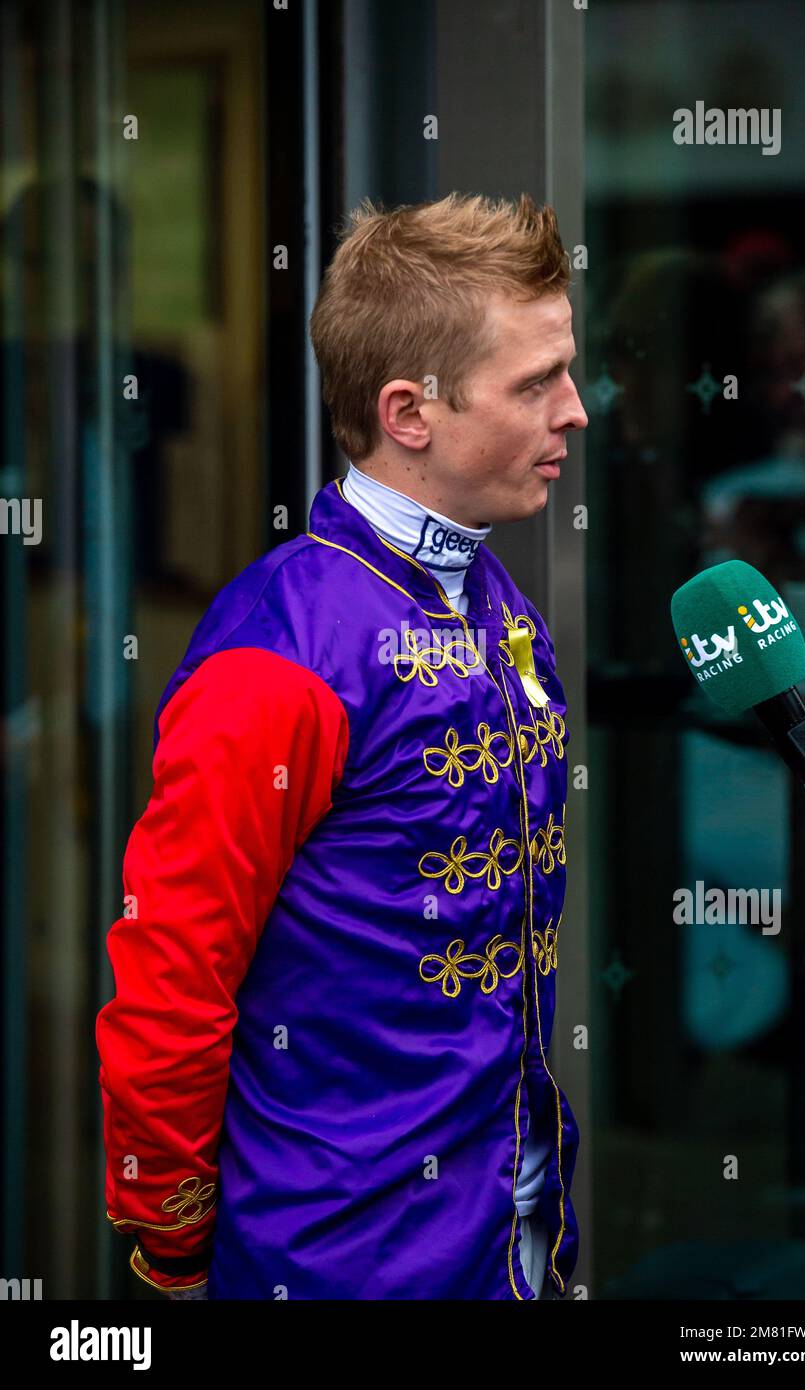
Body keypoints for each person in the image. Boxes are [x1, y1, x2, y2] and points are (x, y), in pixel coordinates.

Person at [95, 191, 589, 1300]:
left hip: (509, 1236)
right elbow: (171, 975)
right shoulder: (282, 650)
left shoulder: (495, 595)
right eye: (535, 383)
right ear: (409, 411)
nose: (576, 411)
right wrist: (171, 1239)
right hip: (337, 1259)